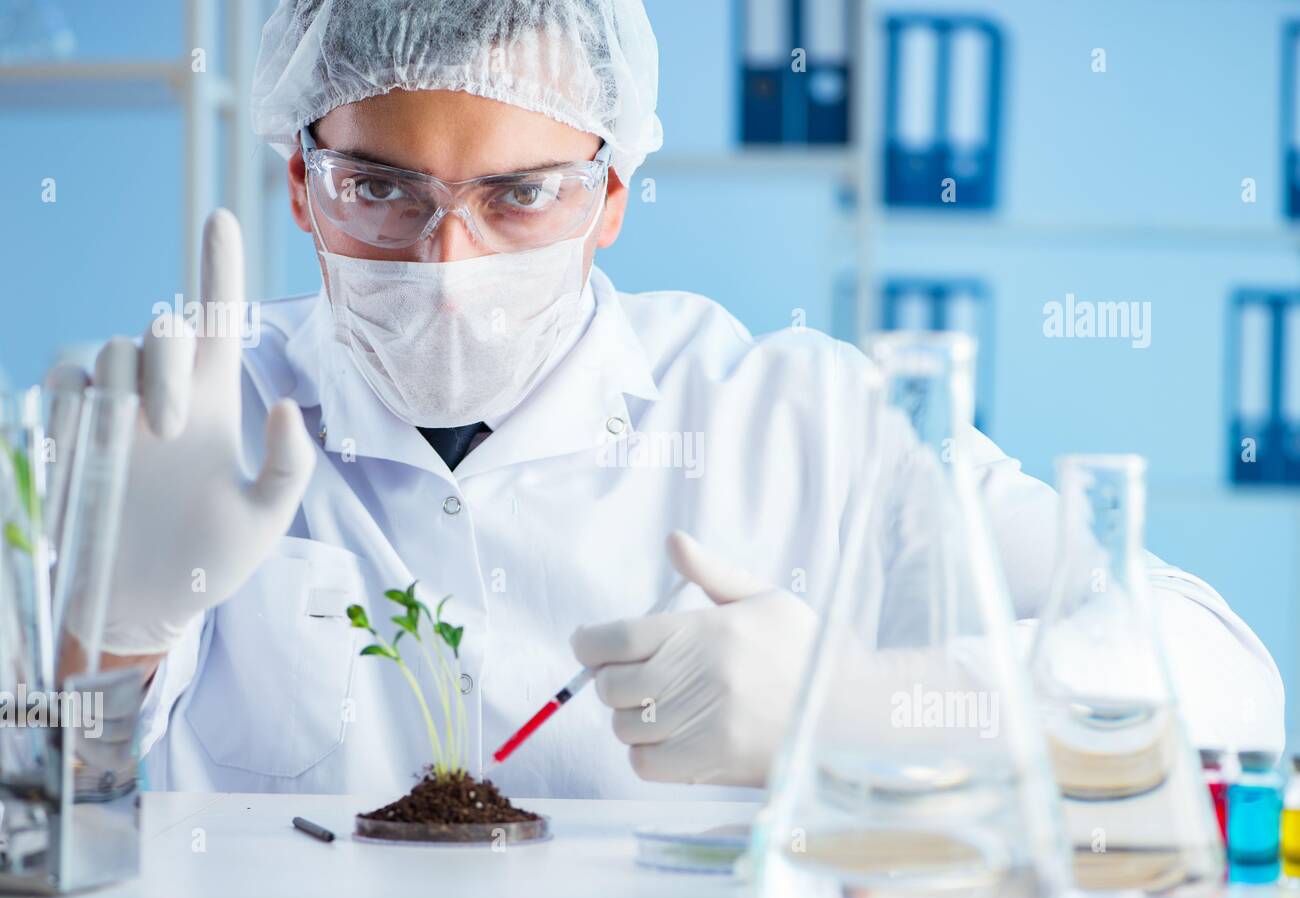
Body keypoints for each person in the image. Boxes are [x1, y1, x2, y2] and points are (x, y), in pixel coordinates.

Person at [69, 0, 1283, 801]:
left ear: (609, 197)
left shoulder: (801, 424)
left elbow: (1226, 683)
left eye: (520, 197)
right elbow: (40, 808)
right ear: (301, 182)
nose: (450, 269)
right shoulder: (181, 419)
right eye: (381, 191)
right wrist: (104, 638)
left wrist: (855, 708)